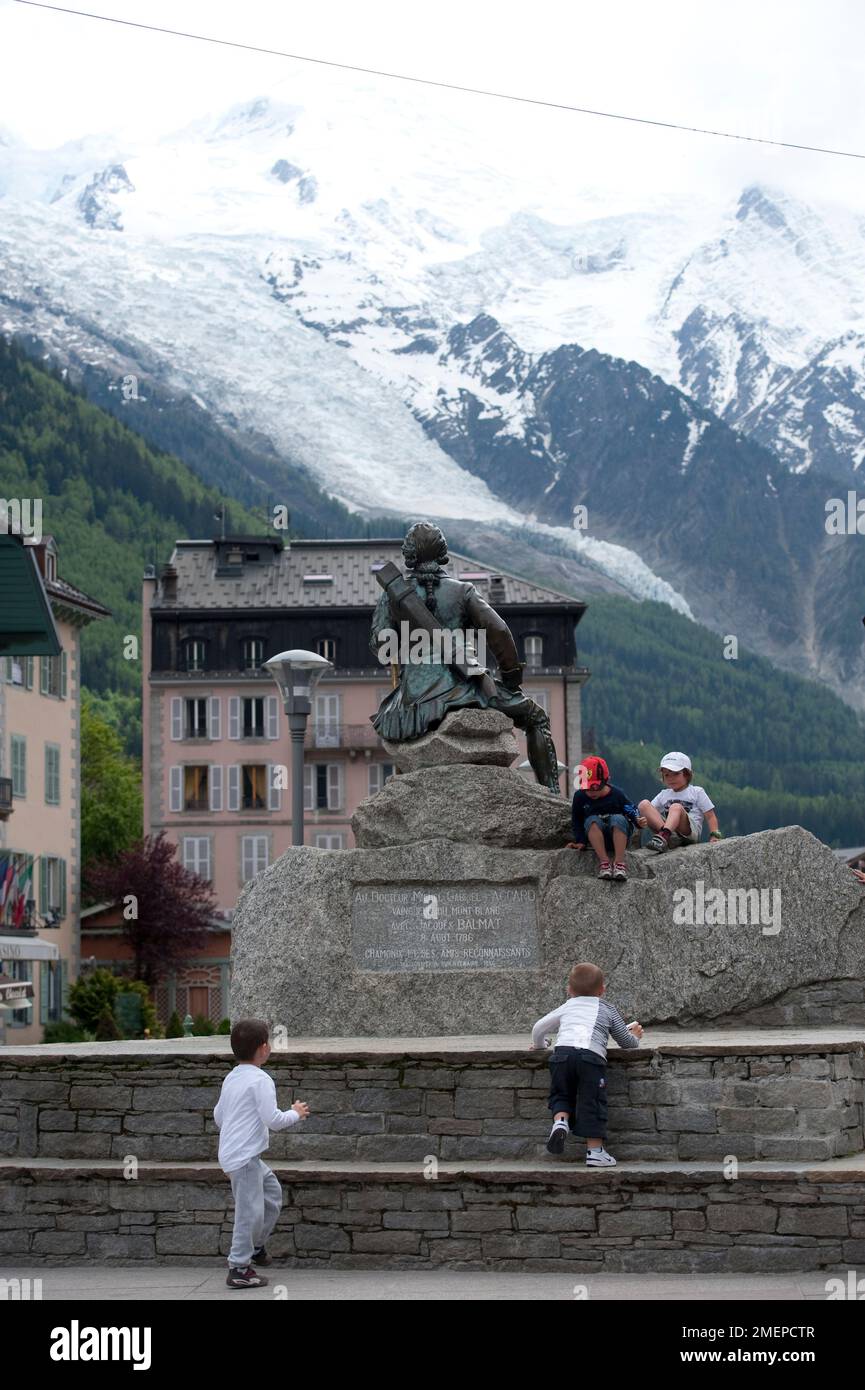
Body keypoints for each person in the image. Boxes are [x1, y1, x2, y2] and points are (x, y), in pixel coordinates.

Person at [369, 521, 560, 791]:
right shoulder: (462, 591)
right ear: (443, 552)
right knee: (536, 717)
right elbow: (499, 631)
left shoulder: (392, 596)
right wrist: (511, 677)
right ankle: (552, 793)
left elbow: (380, 645)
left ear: (409, 555)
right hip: (467, 687)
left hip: (413, 699)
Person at [214, 1019, 310, 1289]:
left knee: (271, 1195)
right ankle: (239, 1268)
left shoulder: (232, 1077)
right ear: (264, 1048)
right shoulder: (261, 1080)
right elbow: (273, 1120)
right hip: (243, 1158)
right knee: (249, 1212)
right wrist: (296, 1113)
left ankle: (255, 1247)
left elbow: (219, 1116)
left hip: (245, 1156)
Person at [530, 961, 643, 1166]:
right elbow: (625, 1042)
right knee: (592, 1101)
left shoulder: (567, 1006)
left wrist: (540, 1045)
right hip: (590, 1059)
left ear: (569, 990)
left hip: (562, 1055)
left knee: (561, 1093)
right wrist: (635, 1036)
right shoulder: (607, 1008)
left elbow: (538, 1027)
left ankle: (561, 1122)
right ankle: (595, 1152)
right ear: (602, 990)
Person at [567, 754, 640, 881]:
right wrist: (581, 841)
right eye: (587, 788)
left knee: (618, 819)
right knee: (591, 820)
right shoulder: (580, 797)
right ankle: (604, 863)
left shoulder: (617, 794)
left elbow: (630, 808)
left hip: (618, 836)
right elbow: (577, 820)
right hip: (597, 840)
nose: (592, 792)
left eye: (596, 787)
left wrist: (637, 820)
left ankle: (619, 863)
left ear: (606, 781)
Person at [637, 751, 720, 852]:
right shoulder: (664, 794)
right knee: (644, 804)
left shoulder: (696, 792)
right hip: (672, 835)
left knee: (676, 807)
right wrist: (639, 822)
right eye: (667, 775)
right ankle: (665, 838)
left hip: (689, 834)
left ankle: (664, 836)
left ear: (687, 774)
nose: (671, 778)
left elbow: (710, 816)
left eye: (676, 774)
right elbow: (650, 813)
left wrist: (714, 835)